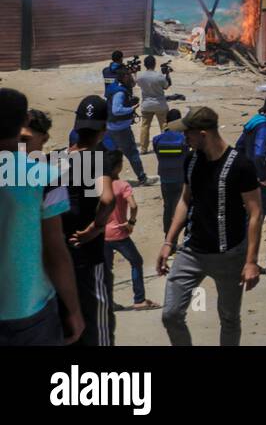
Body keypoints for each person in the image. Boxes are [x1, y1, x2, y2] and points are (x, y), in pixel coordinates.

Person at [157, 107, 263, 346]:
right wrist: (168, 241)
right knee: (170, 314)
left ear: (203, 134)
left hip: (230, 255)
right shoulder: (191, 161)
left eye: (188, 134)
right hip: (192, 252)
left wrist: (251, 261)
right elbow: (185, 200)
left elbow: (256, 213)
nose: (184, 138)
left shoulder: (241, 165)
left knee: (229, 318)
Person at [0, 88, 82, 345]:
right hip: (29, 310)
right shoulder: (47, 177)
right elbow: (55, 251)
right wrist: (74, 310)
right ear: (24, 123)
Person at [55, 97, 117, 346]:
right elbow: (108, 199)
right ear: (103, 130)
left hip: (58, 260)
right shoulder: (98, 158)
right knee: (98, 330)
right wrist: (96, 227)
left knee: (68, 330)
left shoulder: (56, 158)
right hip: (88, 260)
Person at [103, 150, 159, 311]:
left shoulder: (99, 185)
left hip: (103, 235)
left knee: (107, 268)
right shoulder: (123, 185)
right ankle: (139, 299)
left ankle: (108, 302)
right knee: (136, 261)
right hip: (120, 234)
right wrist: (131, 222)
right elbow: (133, 205)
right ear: (118, 167)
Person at [236, 95, 266, 269]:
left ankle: (245, 261)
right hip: (260, 182)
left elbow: (239, 146)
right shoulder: (263, 127)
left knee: (252, 219)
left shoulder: (252, 122)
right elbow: (259, 154)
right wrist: (263, 176)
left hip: (248, 179)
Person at [105, 70, 153, 186]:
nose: (131, 78)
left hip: (111, 127)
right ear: (124, 78)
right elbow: (116, 110)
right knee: (132, 154)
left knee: (112, 154)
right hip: (121, 129)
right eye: (129, 76)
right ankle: (142, 178)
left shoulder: (113, 87)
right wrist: (131, 108)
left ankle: (111, 179)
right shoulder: (120, 93)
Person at [152, 109, 188, 235]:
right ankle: (179, 236)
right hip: (181, 178)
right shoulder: (184, 139)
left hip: (165, 179)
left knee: (167, 207)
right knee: (181, 208)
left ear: (166, 122)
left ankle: (168, 236)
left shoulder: (157, 139)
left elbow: (158, 154)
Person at [135, 56, 170, 153]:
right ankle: (166, 145)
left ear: (144, 65)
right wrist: (167, 74)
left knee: (145, 126)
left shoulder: (140, 76)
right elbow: (166, 86)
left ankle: (143, 148)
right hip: (160, 104)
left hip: (146, 104)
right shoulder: (159, 76)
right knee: (164, 125)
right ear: (154, 64)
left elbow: (137, 83)